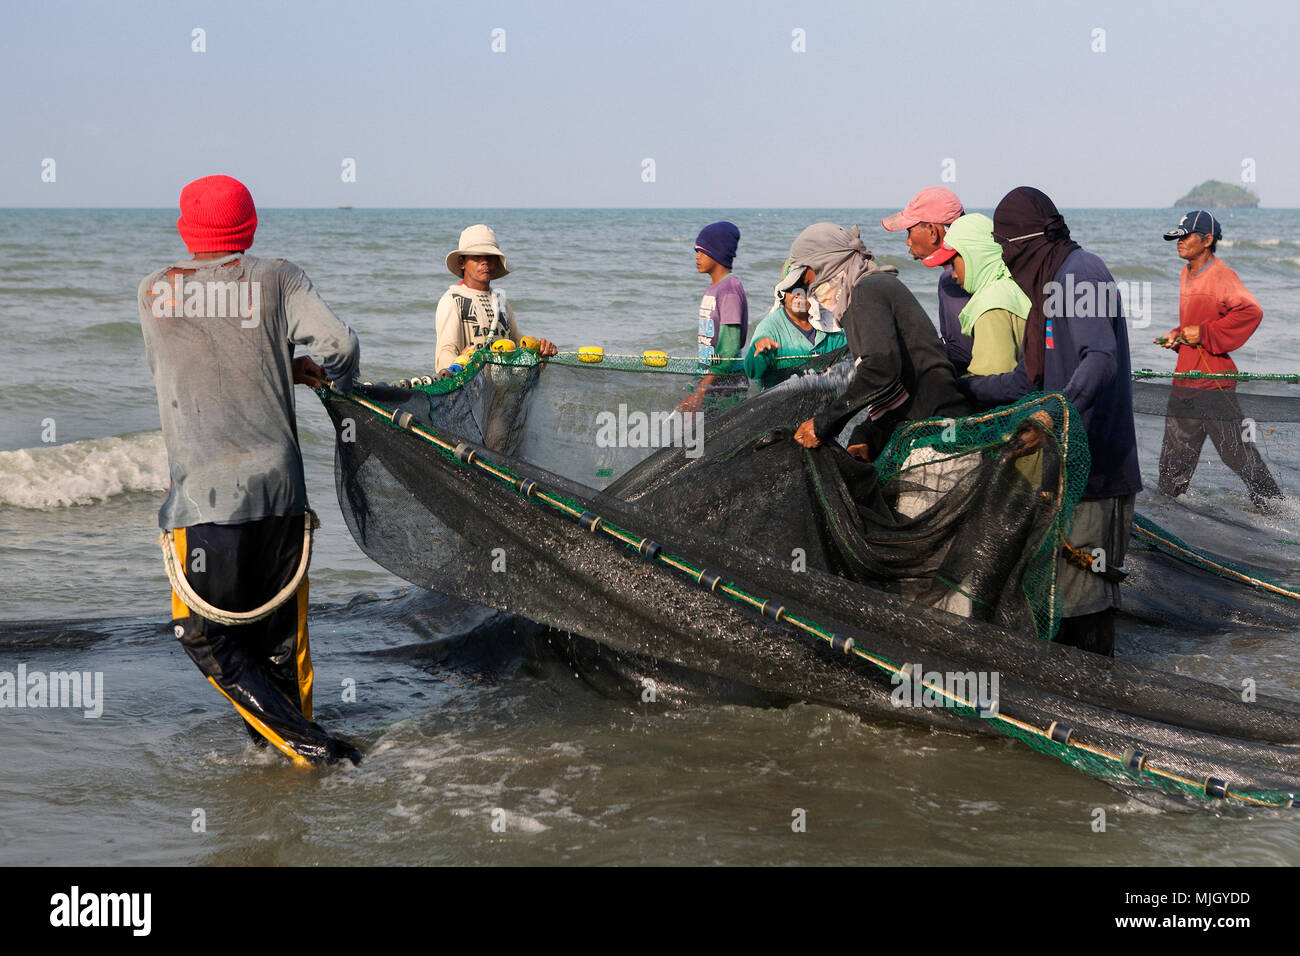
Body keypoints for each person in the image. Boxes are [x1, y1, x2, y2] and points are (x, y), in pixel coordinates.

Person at [138, 174, 363, 765]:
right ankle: (297, 756)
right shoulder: (278, 277)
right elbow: (338, 345)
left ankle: (306, 752)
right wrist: (309, 372)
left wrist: (273, 364)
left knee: (205, 635)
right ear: (250, 224)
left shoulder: (156, 291)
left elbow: (191, 365)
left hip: (204, 499)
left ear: (187, 228)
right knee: (281, 648)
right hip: (280, 493)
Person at [959, 187, 1141, 657]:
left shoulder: (1080, 274)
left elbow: (1099, 360)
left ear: (1025, 240)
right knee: (1056, 602)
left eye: (1006, 246)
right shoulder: (1047, 288)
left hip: (1096, 472)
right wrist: (960, 387)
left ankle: (1095, 708)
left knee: (1084, 605)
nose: (1004, 258)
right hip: (1064, 472)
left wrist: (1053, 415)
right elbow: (1027, 381)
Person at [789, 223, 969, 461]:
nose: (807, 290)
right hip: (930, 426)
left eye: (804, 280)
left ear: (825, 263)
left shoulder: (867, 291)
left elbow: (881, 369)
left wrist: (825, 423)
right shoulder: (865, 292)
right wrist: (864, 435)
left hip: (940, 434)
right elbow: (899, 381)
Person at [1156, 211, 1283, 508]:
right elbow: (1196, 323)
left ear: (1207, 240)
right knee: (1174, 459)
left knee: (1236, 453)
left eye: (1185, 236)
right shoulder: (1186, 272)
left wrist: (1202, 334)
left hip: (1214, 384)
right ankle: (1167, 514)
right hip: (1185, 381)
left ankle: (1274, 506)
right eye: (1178, 236)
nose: (1179, 242)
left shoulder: (1222, 275)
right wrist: (1178, 335)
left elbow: (1252, 312)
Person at [921, 213, 1030, 387]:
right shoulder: (1015, 285)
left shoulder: (991, 304)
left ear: (974, 256)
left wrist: (953, 386)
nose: (954, 275)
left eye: (954, 264)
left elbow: (992, 379)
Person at [434, 224, 556, 373]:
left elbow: (517, 343)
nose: (485, 262)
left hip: (501, 388)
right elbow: (446, 350)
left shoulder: (500, 300)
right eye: (477, 257)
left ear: (497, 261)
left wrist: (541, 348)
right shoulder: (453, 300)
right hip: (472, 389)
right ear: (462, 262)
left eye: (490, 257)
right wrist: (456, 366)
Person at [882, 186, 973, 373]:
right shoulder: (979, 265)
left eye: (909, 232)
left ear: (932, 231)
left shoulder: (951, 280)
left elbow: (963, 353)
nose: (908, 242)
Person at [743, 259, 846, 389]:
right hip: (780, 403)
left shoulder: (832, 326)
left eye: (805, 288)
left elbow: (850, 359)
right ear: (782, 292)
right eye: (792, 288)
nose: (799, 294)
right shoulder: (770, 327)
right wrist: (759, 351)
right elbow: (752, 372)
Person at [679, 221, 749, 412]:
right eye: (696, 251)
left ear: (717, 252)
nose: (697, 256)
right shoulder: (714, 288)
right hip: (711, 379)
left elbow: (729, 347)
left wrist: (702, 389)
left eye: (701, 251)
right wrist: (699, 382)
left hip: (728, 385)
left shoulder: (729, 289)